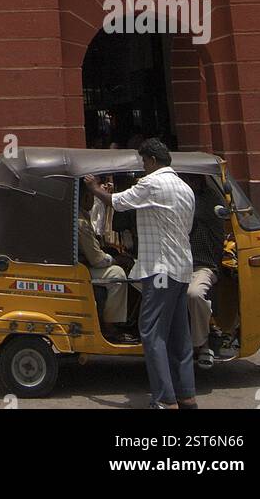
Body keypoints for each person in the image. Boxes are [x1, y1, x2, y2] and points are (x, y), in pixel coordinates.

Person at [86, 138, 196, 410]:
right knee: (179, 336)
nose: (143, 168)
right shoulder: (185, 188)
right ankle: (187, 396)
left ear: (152, 161)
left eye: (144, 162)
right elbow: (188, 227)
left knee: (151, 333)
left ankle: (164, 399)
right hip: (182, 268)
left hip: (159, 269)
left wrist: (94, 188)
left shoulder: (152, 183)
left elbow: (118, 202)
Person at [183, 174, 228, 369]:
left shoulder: (209, 200)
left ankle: (203, 344)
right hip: (177, 265)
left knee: (194, 294)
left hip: (203, 265)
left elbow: (190, 213)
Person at [78, 183, 131, 338]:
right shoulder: (80, 222)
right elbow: (97, 260)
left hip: (82, 266)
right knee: (117, 275)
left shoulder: (82, 216)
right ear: (86, 197)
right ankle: (110, 325)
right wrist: (117, 260)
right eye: (92, 196)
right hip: (81, 270)